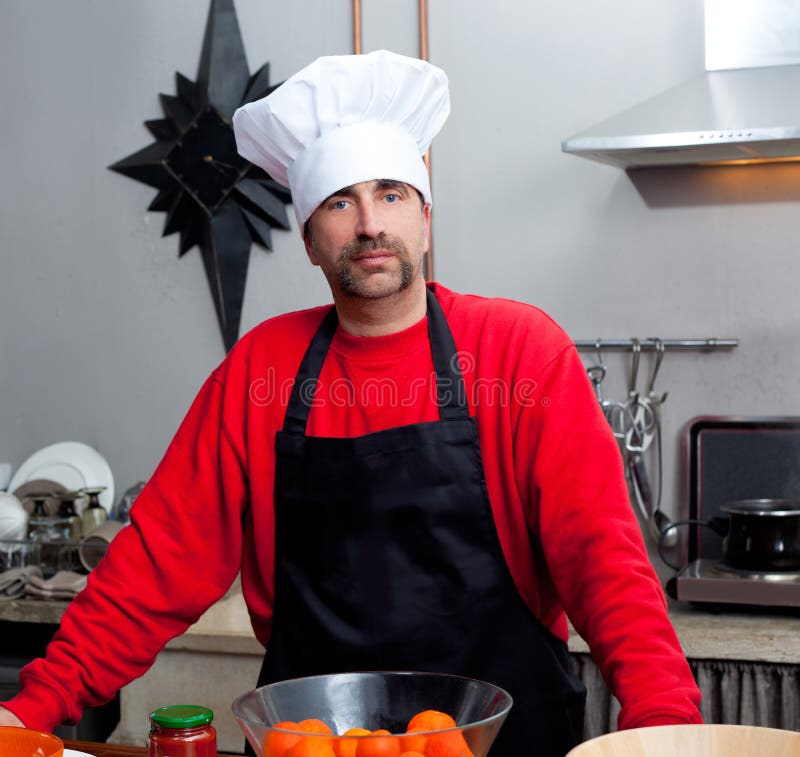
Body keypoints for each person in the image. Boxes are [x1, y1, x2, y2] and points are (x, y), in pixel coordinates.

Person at [0, 50, 702, 757]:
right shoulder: (260, 372)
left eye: (391, 194)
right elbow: (154, 564)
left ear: (425, 220)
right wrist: (33, 707)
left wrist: (666, 723)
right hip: (310, 747)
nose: (370, 223)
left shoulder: (519, 352)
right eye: (340, 201)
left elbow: (605, 564)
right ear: (309, 238)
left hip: (507, 744)